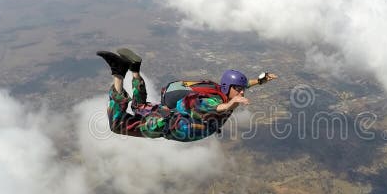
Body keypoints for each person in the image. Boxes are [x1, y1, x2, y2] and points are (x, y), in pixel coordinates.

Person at [97, 48, 277, 142]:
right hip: (164, 125)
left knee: (138, 106)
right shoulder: (213, 100)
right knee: (117, 125)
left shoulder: (220, 89)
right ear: (228, 88)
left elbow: (245, 85)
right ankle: (119, 74)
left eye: (241, 89)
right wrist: (231, 105)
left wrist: (261, 80)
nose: (241, 91)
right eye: (238, 89)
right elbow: (215, 107)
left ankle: (134, 69)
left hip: (168, 114)